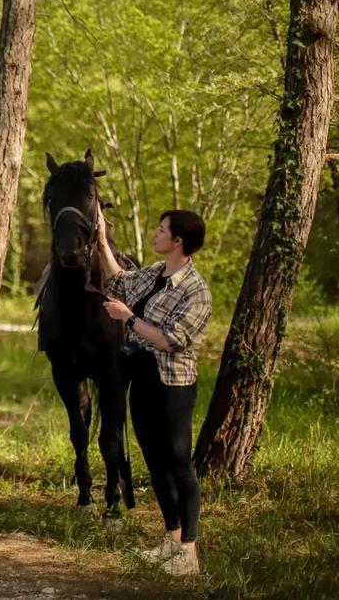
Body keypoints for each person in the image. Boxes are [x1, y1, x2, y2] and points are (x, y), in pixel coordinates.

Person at [95, 208, 212, 576]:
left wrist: (128, 318)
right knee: (156, 460)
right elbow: (119, 280)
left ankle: (189, 553)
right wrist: (100, 241)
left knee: (179, 461)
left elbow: (171, 340)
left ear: (178, 241)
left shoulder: (196, 291)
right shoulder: (154, 274)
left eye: (162, 230)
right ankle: (171, 539)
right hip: (142, 379)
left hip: (173, 384)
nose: (156, 233)